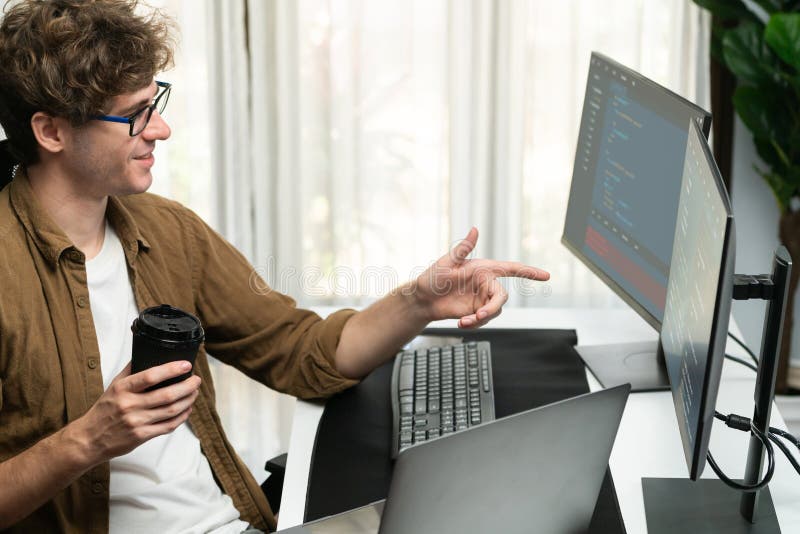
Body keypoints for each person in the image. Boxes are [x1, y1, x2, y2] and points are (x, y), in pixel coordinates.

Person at [0, 1, 549, 532]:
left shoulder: (167, 231)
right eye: (133, 116)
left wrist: (421, 301)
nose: (160, 130)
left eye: (156, 103)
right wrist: (91, 439)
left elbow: (298, 351)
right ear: (51, 132)